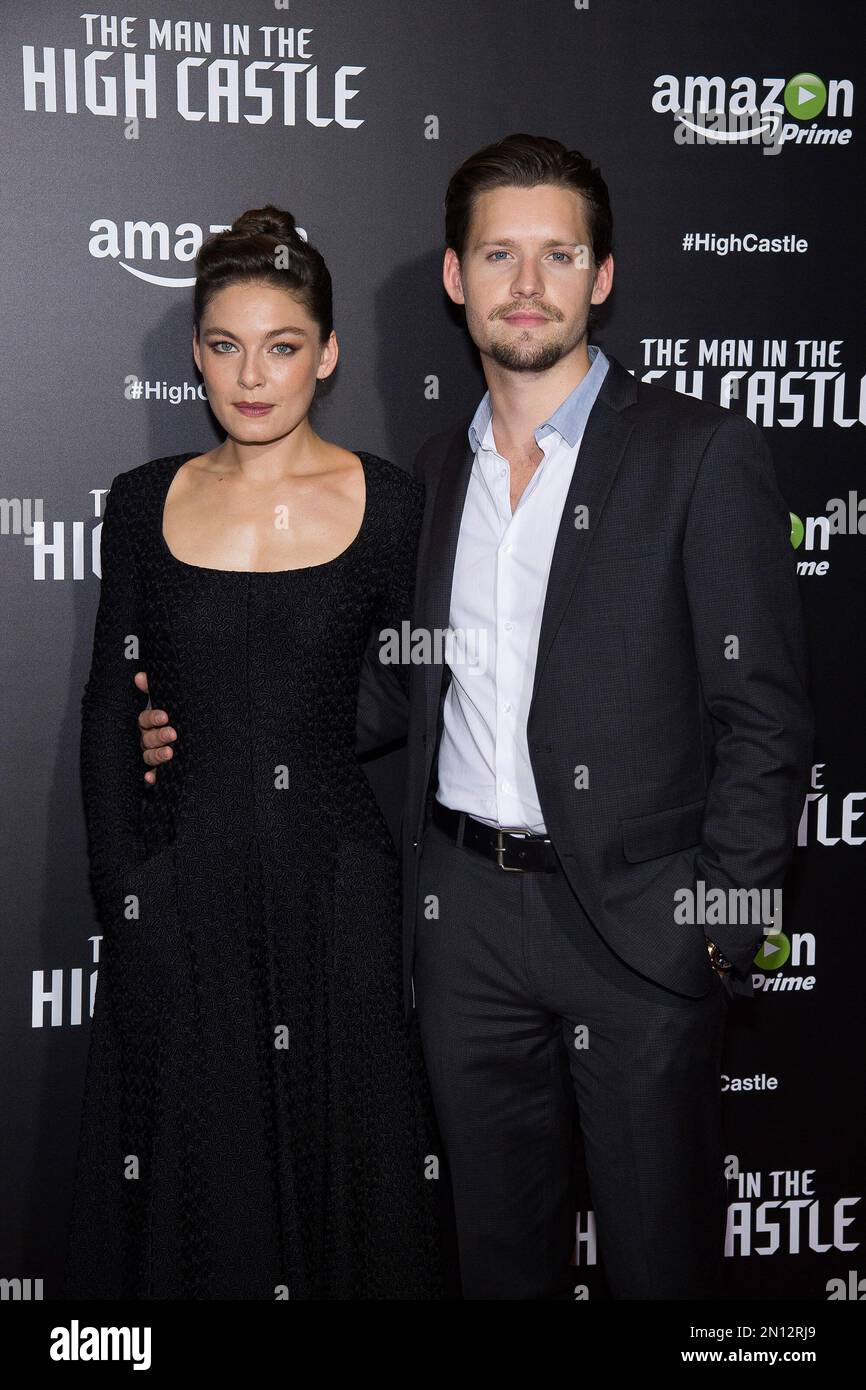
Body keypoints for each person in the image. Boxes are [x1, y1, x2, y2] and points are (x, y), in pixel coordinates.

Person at [139, 136, 815, 1300]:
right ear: (455, 277)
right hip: (463, 931)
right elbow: (402, 684)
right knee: (496, 1263)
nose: (526, 283)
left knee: (662, 1269)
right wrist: (213, 722)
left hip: (638, 934)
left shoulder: (698, 454)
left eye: (558, 254)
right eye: (498, 253)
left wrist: (716, 929)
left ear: (600, 276)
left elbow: (763, 715)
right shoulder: (430, 477)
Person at [64, 205, 449, 1300]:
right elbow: (107, 708)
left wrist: (289, 728)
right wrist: (124, 896)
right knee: (201, 1183)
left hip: (339, 897)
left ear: (325, 355)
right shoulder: (146, 504)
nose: (251, 375)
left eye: (281, 346)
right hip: (182, 893)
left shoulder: (390, 506)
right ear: (195, 352)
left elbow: (420, 690)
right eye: (225, 345)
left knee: (353, 1186)